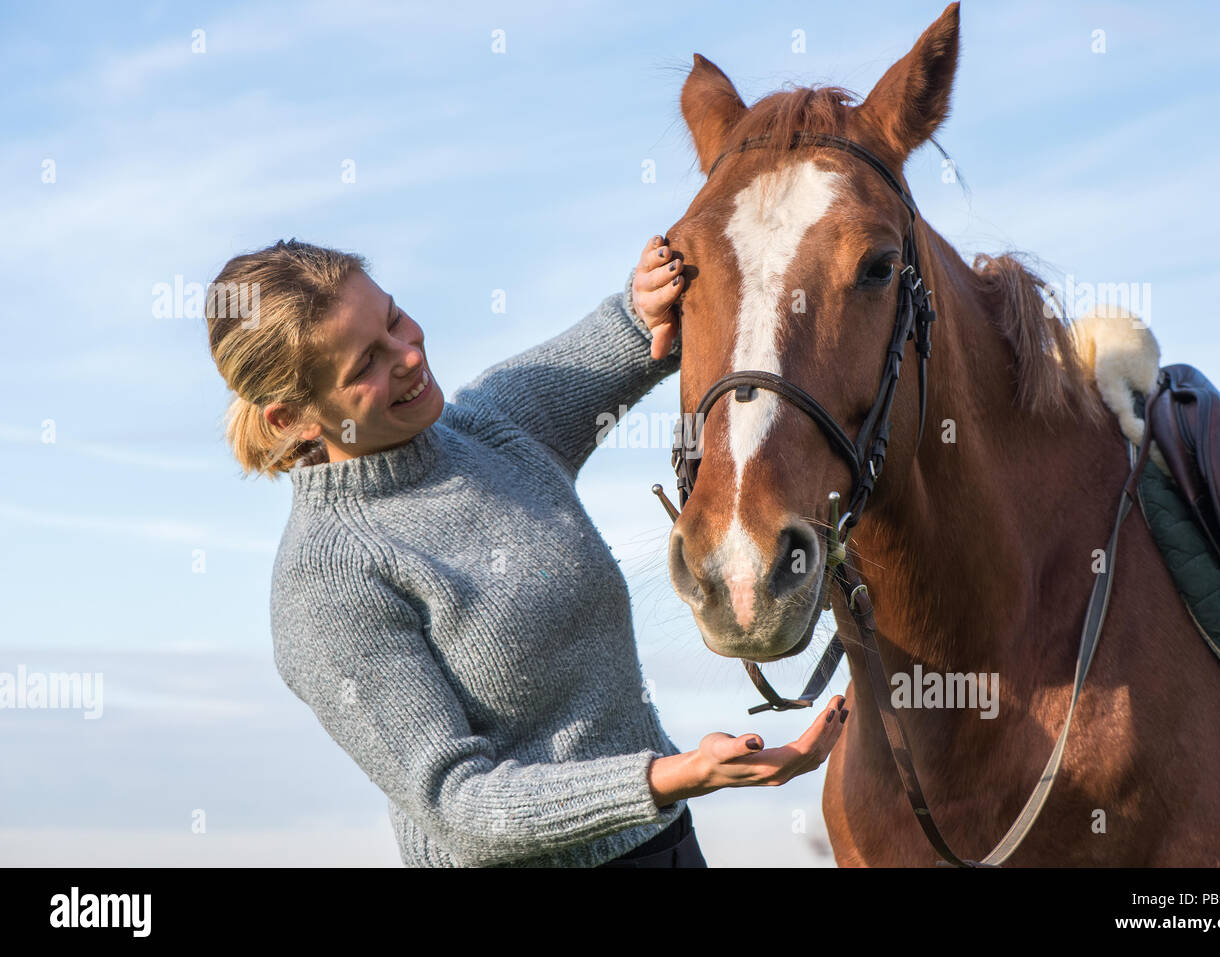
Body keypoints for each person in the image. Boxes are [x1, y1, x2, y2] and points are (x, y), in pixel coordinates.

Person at [204, 236, 849, 867]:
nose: (405, 354)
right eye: (365, 363)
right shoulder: (327, 580)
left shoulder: (492, 429)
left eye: (396, 318)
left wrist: (654, 294)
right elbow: (459, 805)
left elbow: (624, 334)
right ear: (291, 419)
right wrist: (672, 777)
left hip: (665, 847)